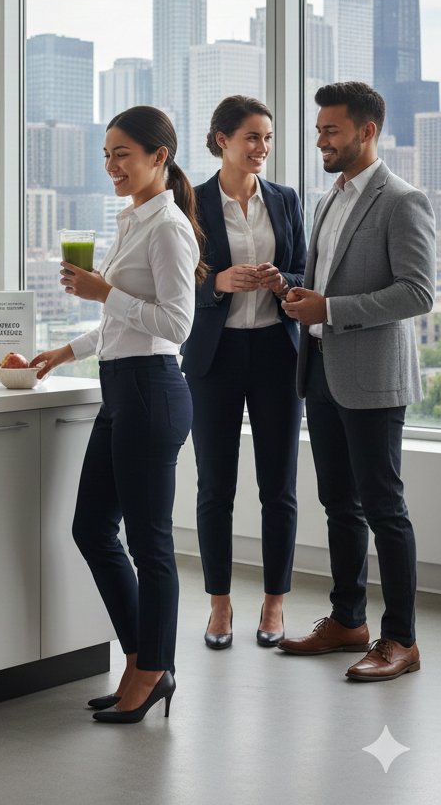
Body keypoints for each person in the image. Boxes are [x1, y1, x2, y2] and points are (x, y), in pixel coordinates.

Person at [31, 106, 202, 723]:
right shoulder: (134, 220)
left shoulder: (169, 228)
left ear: (160, 156)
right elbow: (122, 325)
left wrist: (106, 292)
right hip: (121, 388)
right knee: (91, 529)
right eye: (106, 154)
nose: (112, 165)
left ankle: (152, 668)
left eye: (123, 153)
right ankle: (142, 658)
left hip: (152, 391)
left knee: (151, 543)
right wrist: (64, 351)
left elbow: (176, 325)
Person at [278, 81, 433, 681]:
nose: (321, 139)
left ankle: (401, 639)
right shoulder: (328, 199)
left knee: (383, 507)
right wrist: (291, 286)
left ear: (367, 132)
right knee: (339, 504)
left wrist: (332, 311)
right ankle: (348, 621)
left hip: (371, 378)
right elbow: (327, 281)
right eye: (319, 129)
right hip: (319, 370)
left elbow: (417, 291)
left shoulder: (403, 200)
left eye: (331, 130)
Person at [180, 96, 306, 650]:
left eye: (268, 138)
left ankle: (275, 604)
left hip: (279, 355)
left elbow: (303, 266)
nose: (262, 148)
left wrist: (282, 281)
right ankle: (219, 605)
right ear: (222, 140)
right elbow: (176, 282)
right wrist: (218, 285)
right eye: (252, 137)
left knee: (279, 488)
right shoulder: (190, 202)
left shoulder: (285, 199)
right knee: (216, 488)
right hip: (215, 358)